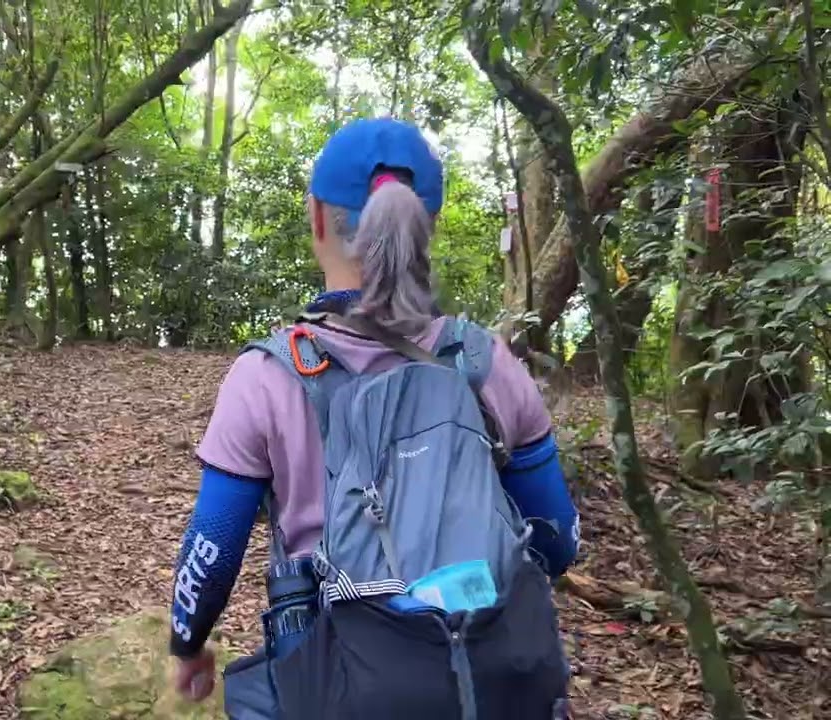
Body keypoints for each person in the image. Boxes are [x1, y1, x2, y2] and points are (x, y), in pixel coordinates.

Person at [165, 117, 580, 719]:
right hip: (490, 679)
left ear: (316, 219)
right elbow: (557, 539)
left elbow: (215, 546)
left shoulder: (269, 374)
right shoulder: (484, 361)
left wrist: (188, 645)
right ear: (426, 227)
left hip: (342, 684)